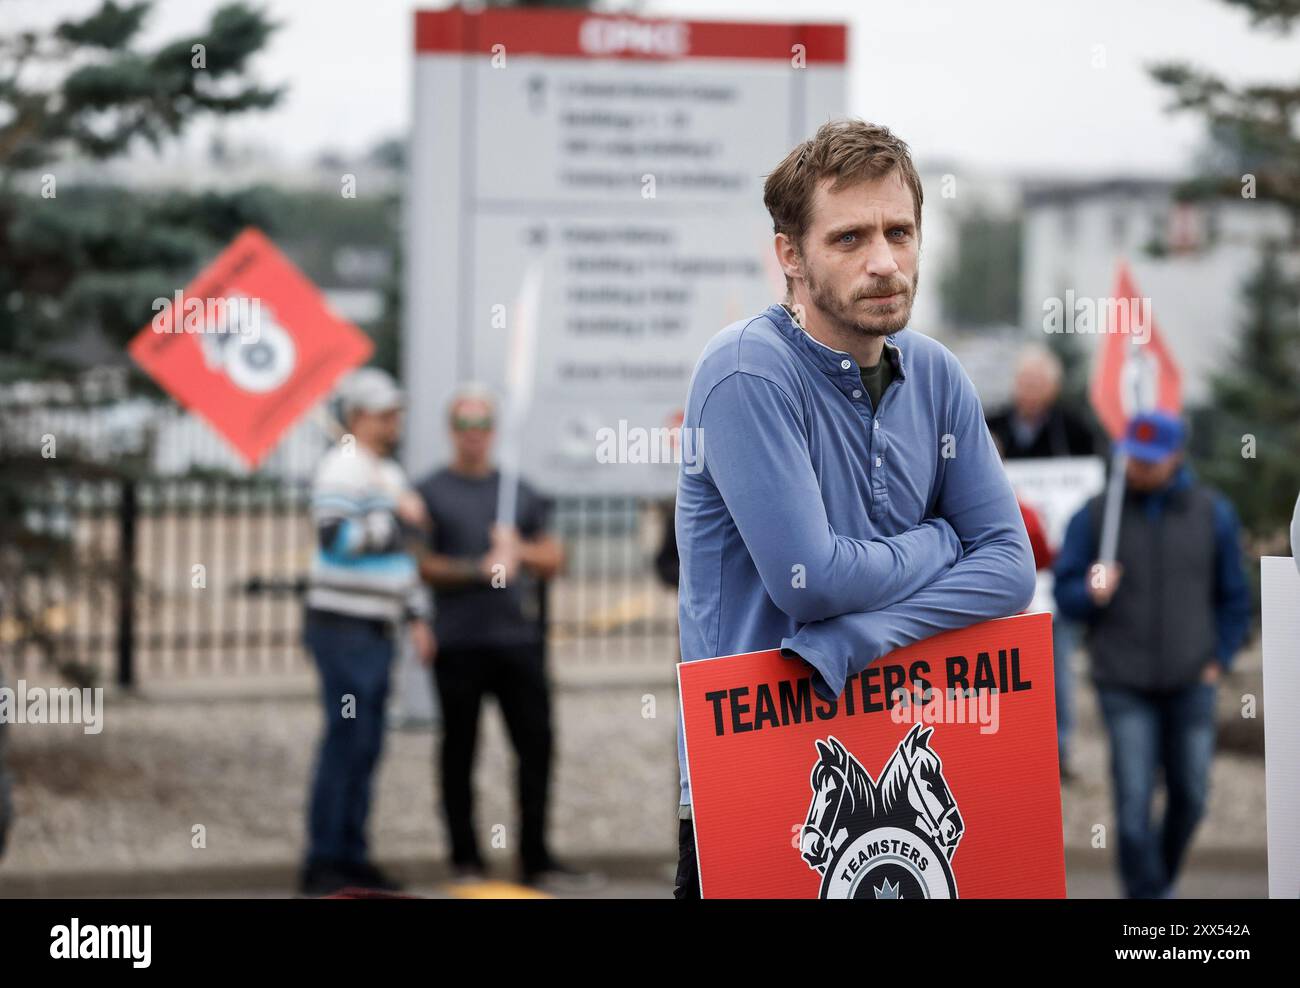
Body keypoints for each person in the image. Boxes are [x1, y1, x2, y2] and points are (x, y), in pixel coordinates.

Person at [672, 119, 1037, 898]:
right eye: (849, 239)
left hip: (901, 769)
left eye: (898, 232)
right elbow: (811, 583)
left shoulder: (936, 373)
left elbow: (1011, 569)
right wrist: (944, 543)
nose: (884, 262)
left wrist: (863, 636)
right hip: (755, 778)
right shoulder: (746, 372)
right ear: (791, 255)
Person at [1053, 411, 1251, 898]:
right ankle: (1150, 898)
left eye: (1149, 461)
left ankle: (1155, 881)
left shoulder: (1212, 513)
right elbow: (1065, 592)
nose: (1138, 470)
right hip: (1123, 684)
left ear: (1176, 457)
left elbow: (1235, 596)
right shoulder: (1098, 514)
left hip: (1192, 682)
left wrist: (1219, 658)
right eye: (1132, 461)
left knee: (1191, 796)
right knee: (1133, 803)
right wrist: (1090, 591)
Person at [415, 385, 585, 890]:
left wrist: (520, 554)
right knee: (459, 750)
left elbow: (556, 558)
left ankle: (536, 857)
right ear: (452, 431)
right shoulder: (429, 492)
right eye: (465, 425)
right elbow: (422, 564)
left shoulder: (520, 492)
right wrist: (480, 567)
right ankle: (464, 856)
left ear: (492, 431)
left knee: (536, 748)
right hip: (460, 643)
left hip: (518, 642)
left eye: (482, 424)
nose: (474, 435)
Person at [300, 367, 435, 897]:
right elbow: (335, 540)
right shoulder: (342, 469)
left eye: (396, 412)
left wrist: (418, 615)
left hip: (378, 629)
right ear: (358, 418)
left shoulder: (387, 473)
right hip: (343, 628)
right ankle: (325, 859)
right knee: (347, 741)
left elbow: (406, 561)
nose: (394, 422)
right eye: (384, 414)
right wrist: (399, 522)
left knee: (367, 745)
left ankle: (352, 856)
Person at [987, 344, 1102, 780]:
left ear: (1053, 388)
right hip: (1002, 583)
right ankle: (1007, 754)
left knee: (1057, 668)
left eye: (1038, 383)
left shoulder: (1076, 430)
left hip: (1056, 578)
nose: (1030, 391)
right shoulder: (988, 424)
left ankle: (1057, 752)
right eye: (1024, 382)